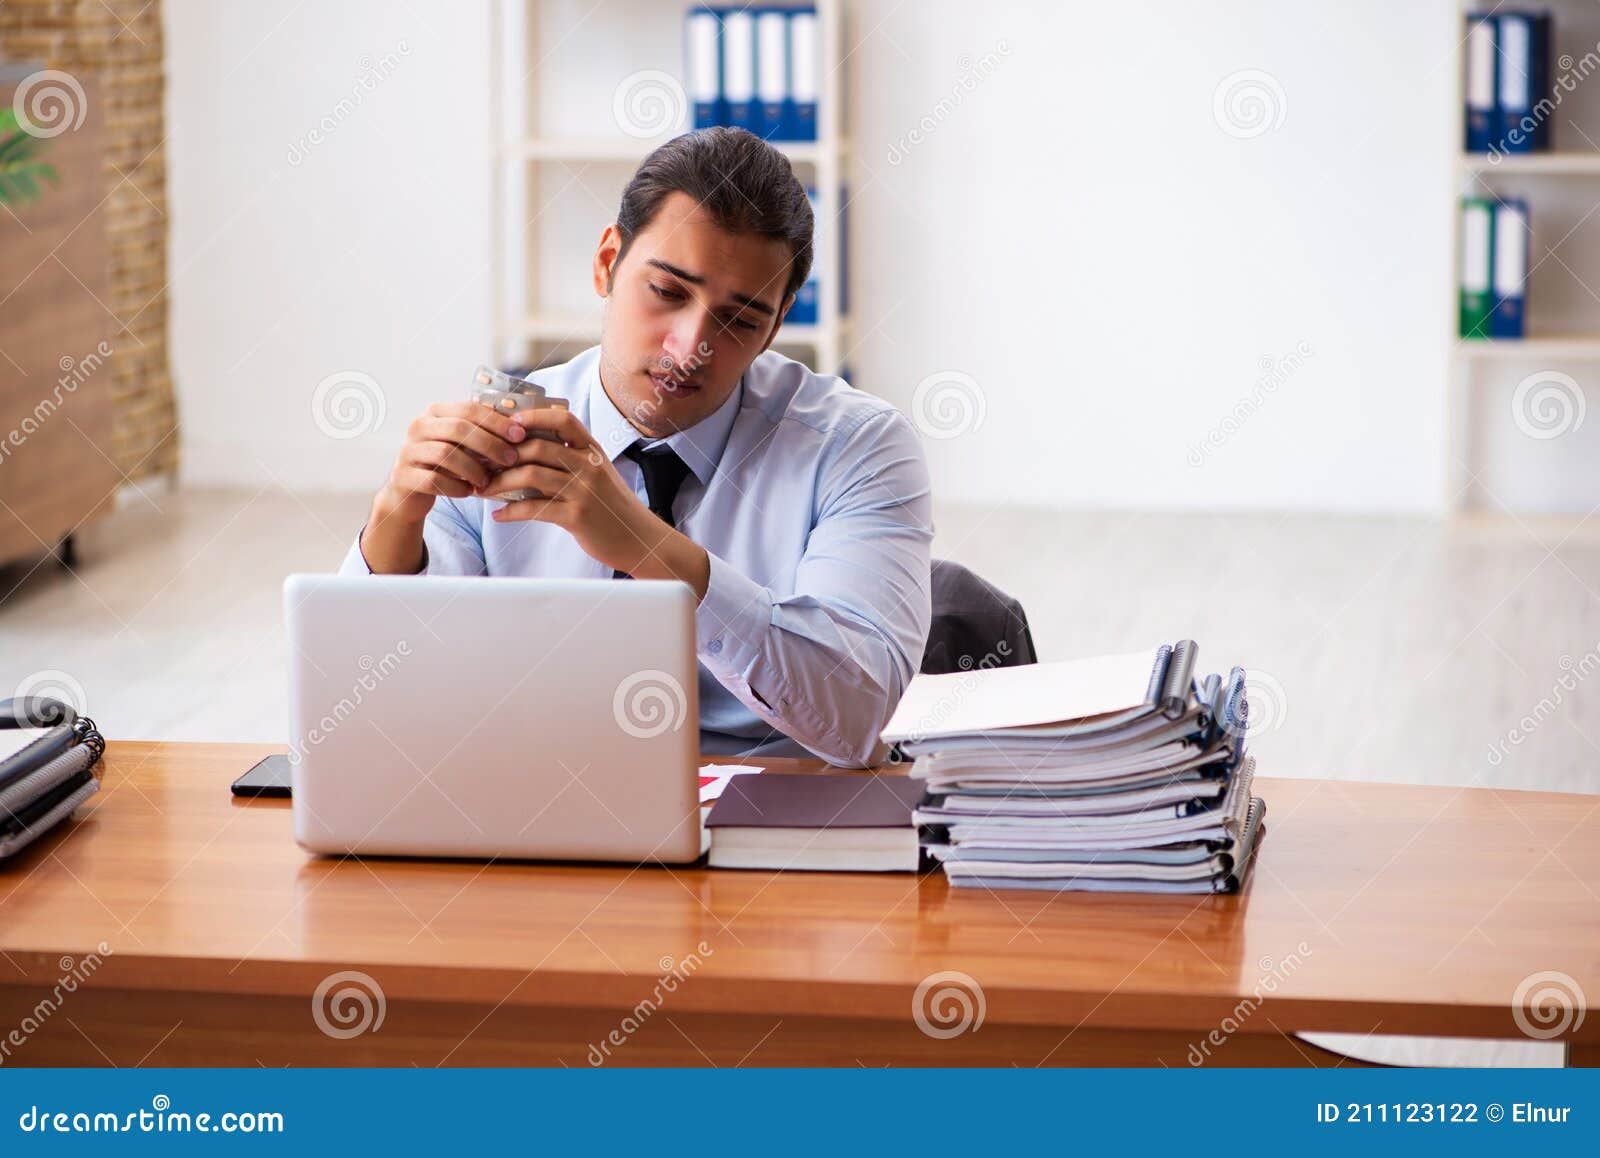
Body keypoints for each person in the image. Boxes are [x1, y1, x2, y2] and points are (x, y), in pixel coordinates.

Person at [340, 127, 932, 766]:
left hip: (774, 810)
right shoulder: (502, 433)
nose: (691, 346)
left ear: (775, 328)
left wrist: (647, 548)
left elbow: (862, 719)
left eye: (739, 320)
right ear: (606, 264)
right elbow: (382, 709)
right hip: (543, 801)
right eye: (669, 292)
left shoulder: (860, 448)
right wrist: (394, 519)